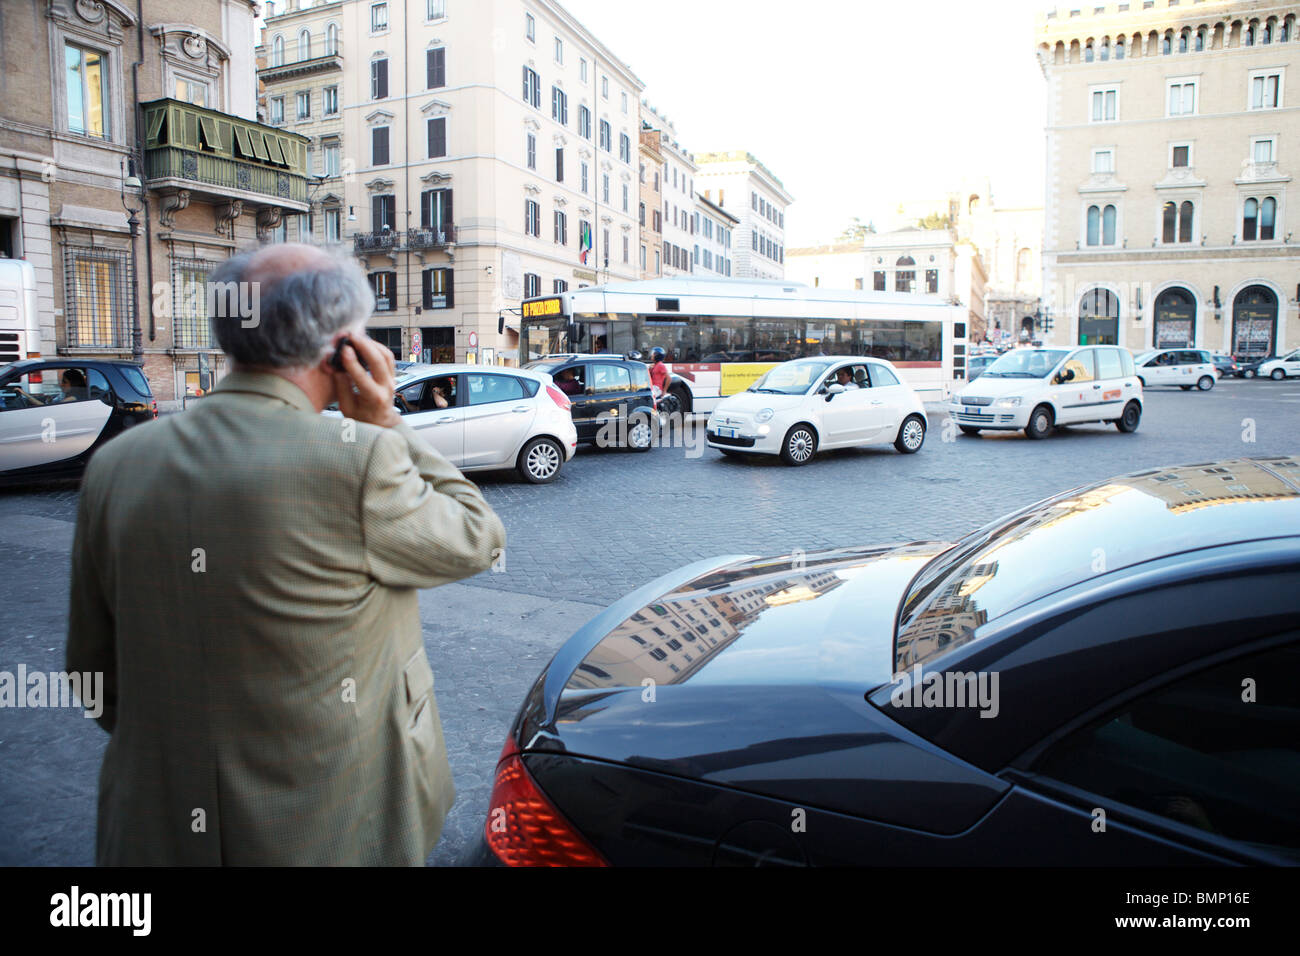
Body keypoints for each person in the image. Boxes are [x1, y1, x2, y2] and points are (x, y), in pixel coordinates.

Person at [66, 243, 506, 866]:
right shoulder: (360, 459)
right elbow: (478, 535)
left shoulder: (115, 465)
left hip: (153, 824)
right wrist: (388, 423)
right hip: (330, 828)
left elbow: (94, 674)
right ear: (343, 349)